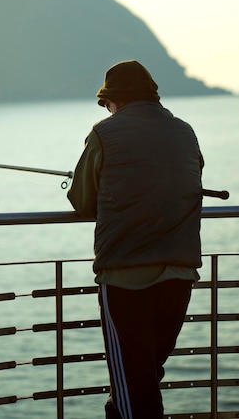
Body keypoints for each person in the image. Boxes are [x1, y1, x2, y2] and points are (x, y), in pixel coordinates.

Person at [67, 60, 204, 419]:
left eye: (106, 103)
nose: (107, 110)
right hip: (180, 272)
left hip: (125, 273)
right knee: (145, 377)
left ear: (115, 100)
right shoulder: (185, 131)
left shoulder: (104, 133)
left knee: (131, 380)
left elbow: (82, 203)